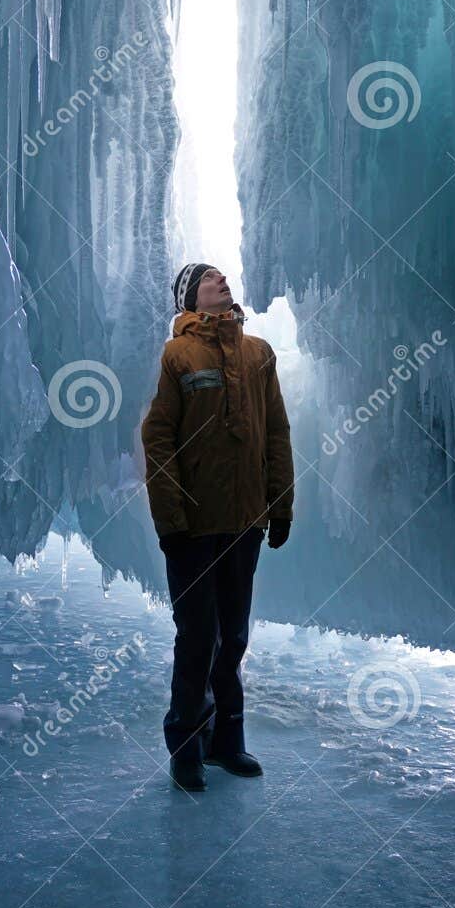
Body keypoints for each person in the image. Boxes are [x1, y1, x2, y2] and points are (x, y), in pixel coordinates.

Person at [140, 263, 295, 792]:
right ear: (191, 298)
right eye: (210, 279)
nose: (221, 282)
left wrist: (281, 506)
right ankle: (186, 746)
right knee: (198, 637)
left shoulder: (258, 354)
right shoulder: (177, 355)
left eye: (224, 278)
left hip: (244, 522)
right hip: (192, 526)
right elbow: (158, 439)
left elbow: (276, 431)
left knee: (232, 638)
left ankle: (227, 744)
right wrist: (170, 519)